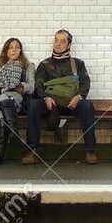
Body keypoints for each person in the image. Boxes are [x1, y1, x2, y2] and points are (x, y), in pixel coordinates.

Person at [25, 29, 99, 165]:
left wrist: (79, 97)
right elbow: (38, 85)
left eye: (62, 41)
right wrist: (46, 97)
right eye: (56, 40)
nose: (58, 44)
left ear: (69, 45)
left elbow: (85, 83)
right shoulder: (44, 64)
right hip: (51, 104)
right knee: (34, 105)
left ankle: (90, 151)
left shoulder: (78, 64)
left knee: (87, 105)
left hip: (72, 103)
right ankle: (32, 150)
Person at [0, 37, 33, 165]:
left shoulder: (28, 66)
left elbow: (32, 86)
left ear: (20, 50)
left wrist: (22, 86)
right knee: (4, 100)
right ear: (6, 50)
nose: (14, 50)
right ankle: (15, 136)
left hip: (16, 101)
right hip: (0, 97)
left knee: (4, 109)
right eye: (11, 47)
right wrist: (3, 90)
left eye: (17, 47)